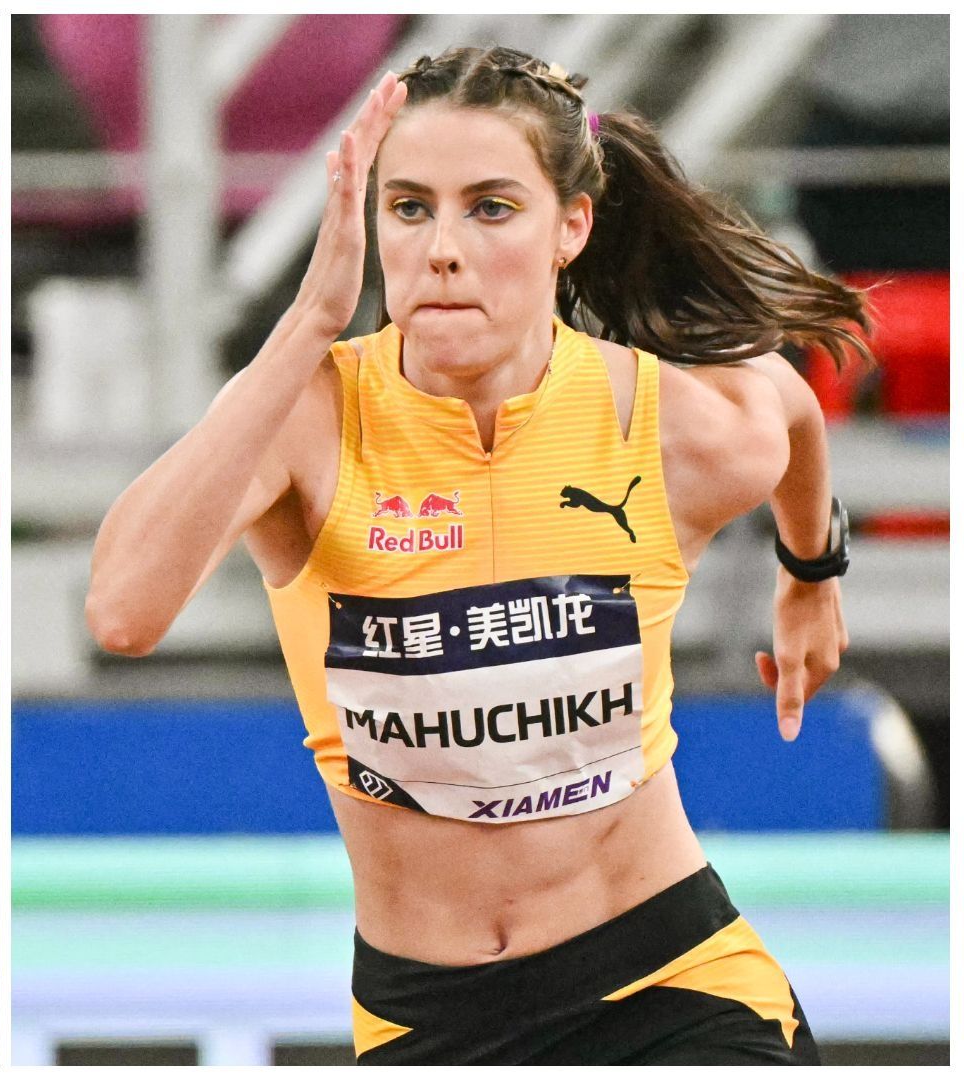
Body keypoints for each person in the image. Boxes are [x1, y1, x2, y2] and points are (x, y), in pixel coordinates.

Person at [88, 45, 865, 1066]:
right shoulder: (306, 413)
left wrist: (812, 576)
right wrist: (311, 320)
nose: (442, 248)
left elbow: (792, 407)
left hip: (671, 980)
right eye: (409, 207)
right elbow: (120, 614)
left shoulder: (662, 419)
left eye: (491, 208)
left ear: (569, 229)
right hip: (428, 1020)